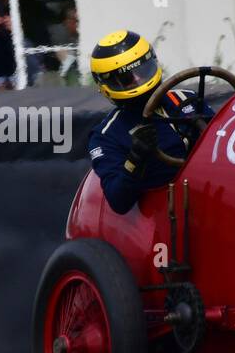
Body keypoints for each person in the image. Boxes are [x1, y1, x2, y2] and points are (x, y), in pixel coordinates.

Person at [86, 29, 214, 214]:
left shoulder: (189, 99)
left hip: (211, 193)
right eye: (127, 78)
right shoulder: (106, 136)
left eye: (143, 70)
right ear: (108, 85)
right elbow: (118, 202)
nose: (138, 79)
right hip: (164, 215)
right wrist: (135, 158)